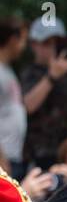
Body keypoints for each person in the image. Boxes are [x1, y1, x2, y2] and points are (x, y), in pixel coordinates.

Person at [19, 16, 67, 170]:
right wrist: (51, 77)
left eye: (56, 43)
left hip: (59, 151)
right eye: (46, 42)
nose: (52, 48)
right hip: (35, 155)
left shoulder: (61, 75)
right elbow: (28, 106)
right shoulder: (29, 73)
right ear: (33, 44)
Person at [0, 16, 28, 177]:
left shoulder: (7, 70)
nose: (24, 46)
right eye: (23, 40)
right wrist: (2, 159)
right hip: (4, 159)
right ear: (12, 39)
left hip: (13, 156)